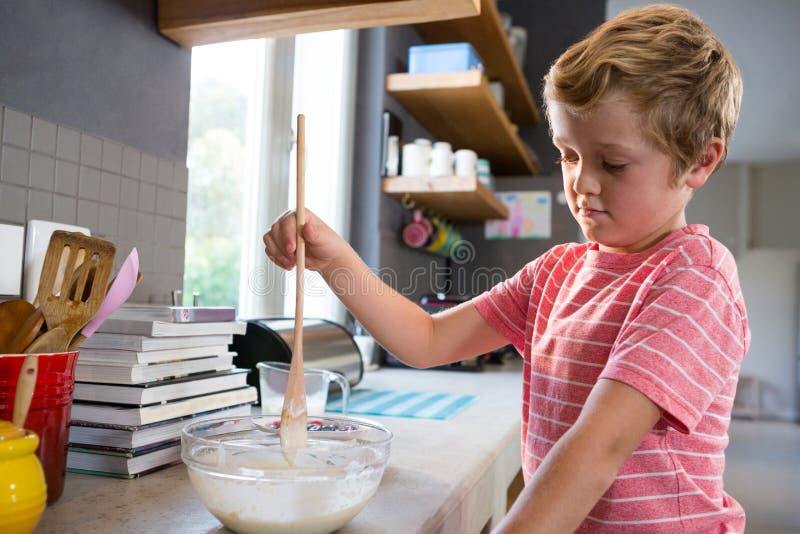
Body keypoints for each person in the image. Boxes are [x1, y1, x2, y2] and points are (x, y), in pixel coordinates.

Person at [263, 4, 748, 532]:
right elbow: (426, 339)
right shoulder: (556, 273)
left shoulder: (695, 278)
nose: (581, 183)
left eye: (612, 163)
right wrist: (335, 258)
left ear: (699, 160)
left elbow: (598, 447)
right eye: (568, 155)